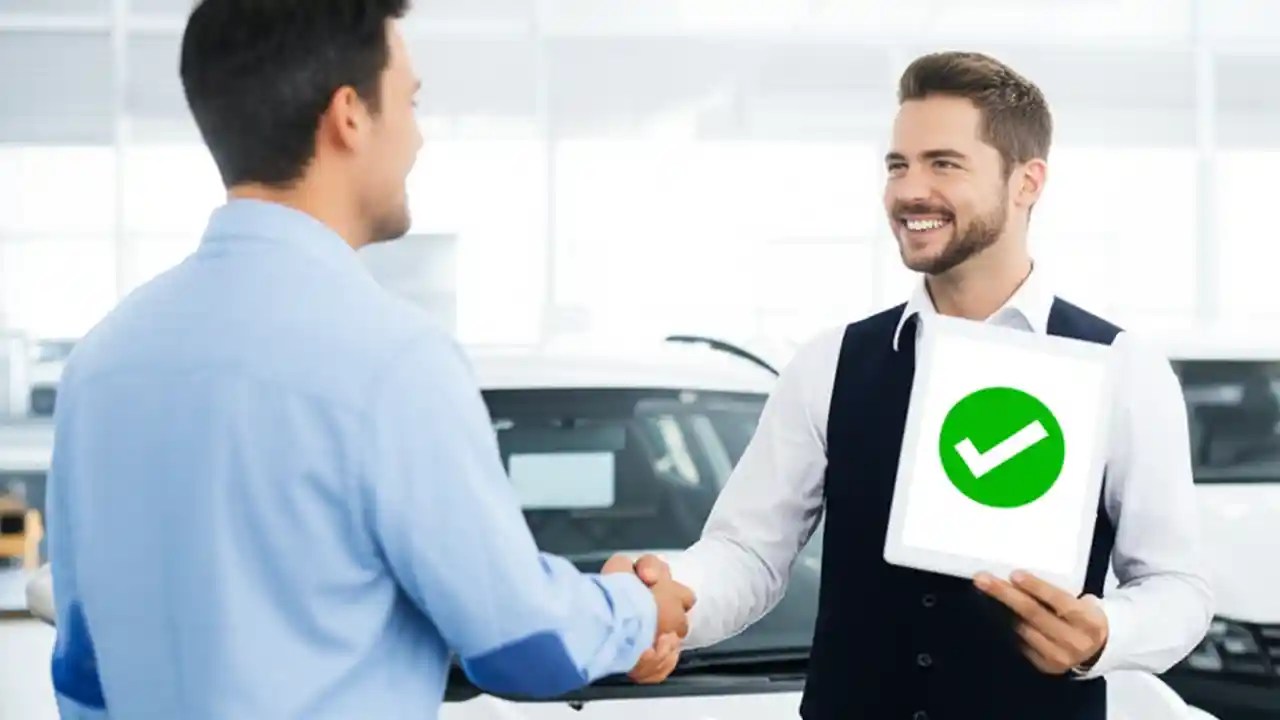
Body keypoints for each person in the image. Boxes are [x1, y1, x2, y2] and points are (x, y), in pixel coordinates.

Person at [44, 1, 692, 717]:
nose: (416, 137)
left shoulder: (102, 365)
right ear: (349, 114)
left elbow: (82, 670)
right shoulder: (391, 361)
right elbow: (522, 642)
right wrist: (637, 608)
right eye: (410, 102)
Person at [616, 51, 1214, 719]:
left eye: (944, 164)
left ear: (1027, 182)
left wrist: (1104, 633)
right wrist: (668, 603)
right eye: (897, 166)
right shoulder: (831, 363)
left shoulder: (1121, 369)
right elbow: (747, 554)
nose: (907, 191)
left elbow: (1177, 586)